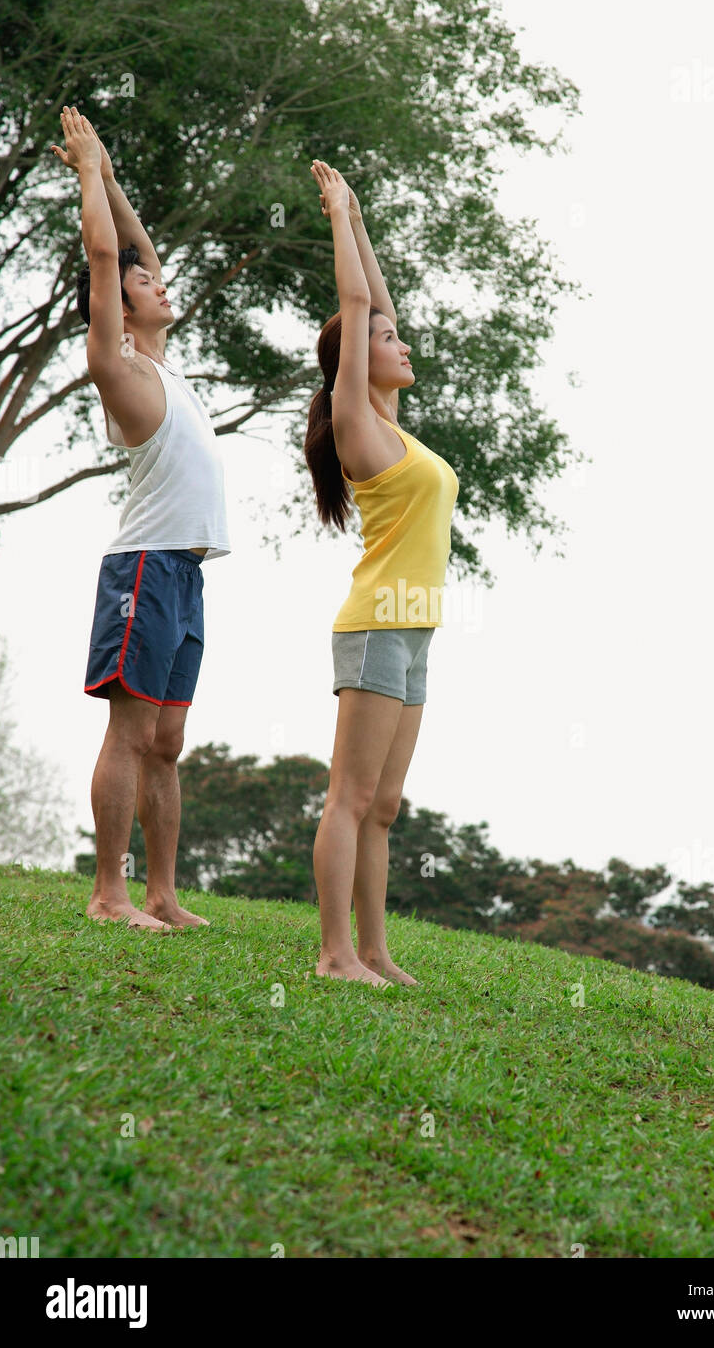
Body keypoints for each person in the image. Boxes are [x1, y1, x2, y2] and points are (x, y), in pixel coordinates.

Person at [52, 106, 230, 931]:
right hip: (145, 567)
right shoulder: (117, 366)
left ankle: (162, 893)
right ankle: (109, 893)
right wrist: (88, 175)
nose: (158, 277)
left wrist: (114, 179)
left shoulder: (171, 368)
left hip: (186, 573)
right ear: (121, 307)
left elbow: (132, 248)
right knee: (130, 733)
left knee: (168, 743)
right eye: (143, 282)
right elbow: (106, 255)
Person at [304, 160, 459, 987]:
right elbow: (360, 306)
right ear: (356, 365)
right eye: (387, 338)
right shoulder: (357, 421)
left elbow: (376, 301)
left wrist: (361, 219)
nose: (402, 338)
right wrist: (336, 222)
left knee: (385, 808)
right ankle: (334, 955)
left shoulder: (402, 433)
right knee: (350, 797)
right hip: (375, 624)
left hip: (415, 625)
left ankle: (375, 951)